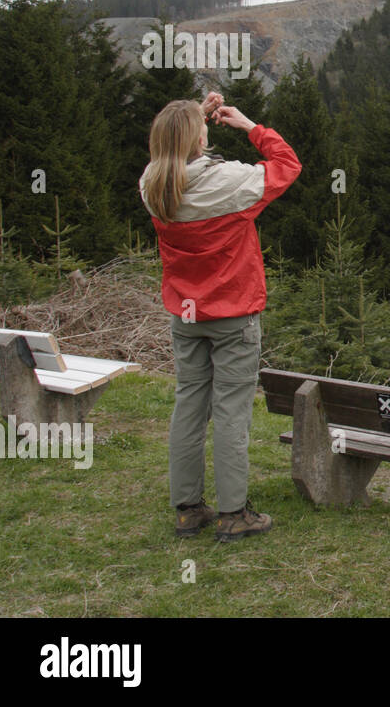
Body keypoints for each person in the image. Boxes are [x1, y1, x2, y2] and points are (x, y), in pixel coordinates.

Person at [138, 91, 301, 541]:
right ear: (200, 137)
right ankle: (234, 514)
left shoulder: (153, 184)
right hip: (232, 314)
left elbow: (176, 151)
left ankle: (188, 509)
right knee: (231, 412)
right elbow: (287, 165)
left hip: (186, 315)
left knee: (189, 405)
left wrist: (197, 113)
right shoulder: (231, 182)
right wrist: (249, 126)